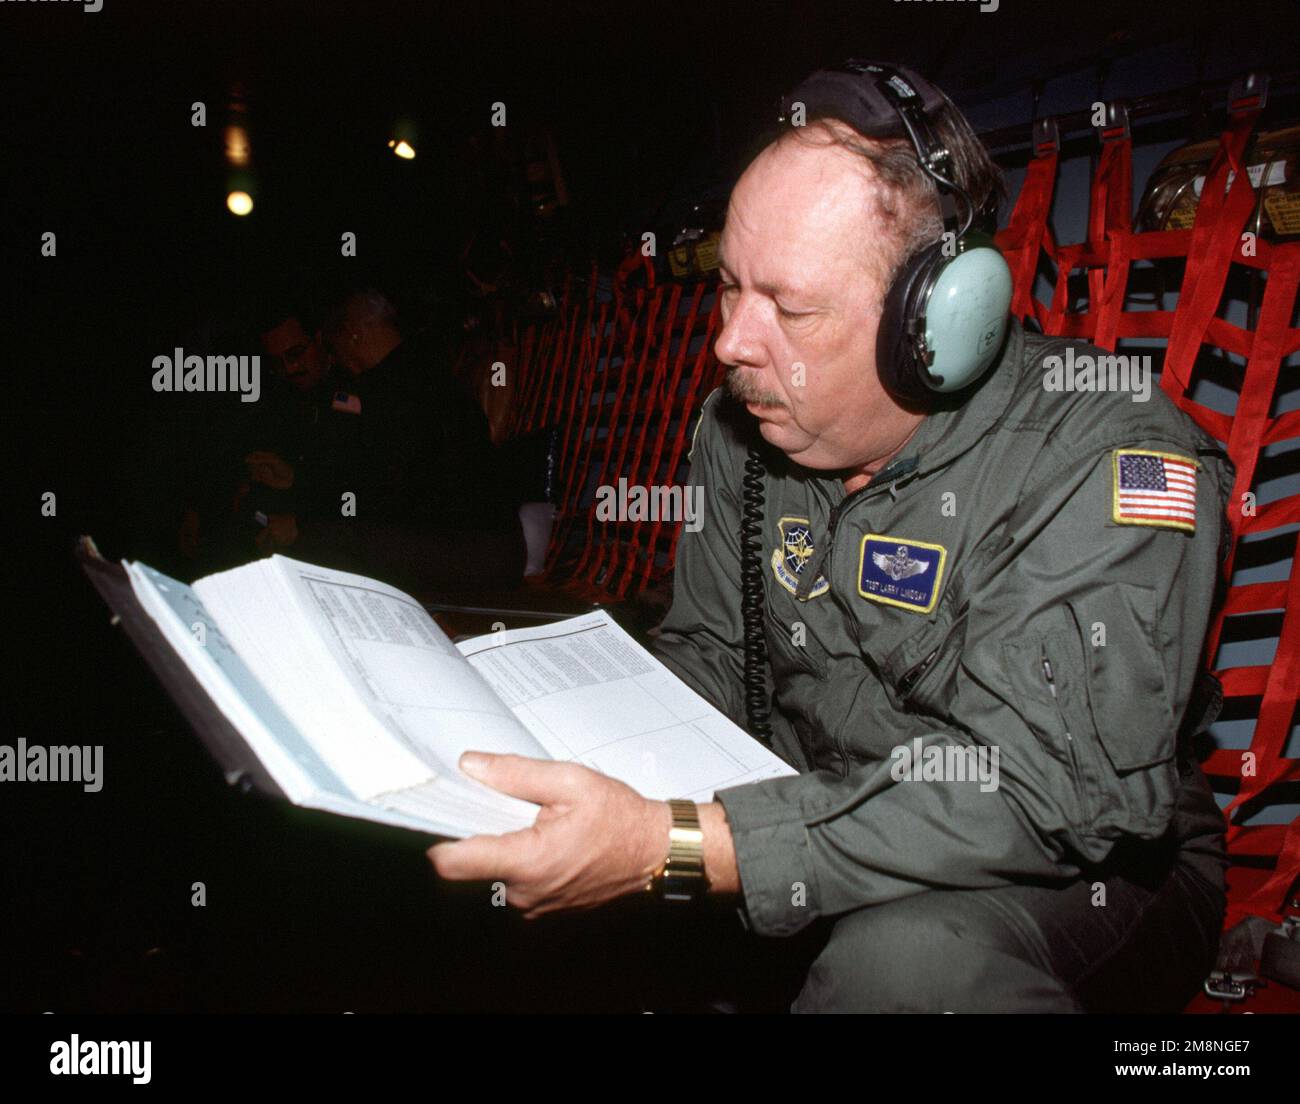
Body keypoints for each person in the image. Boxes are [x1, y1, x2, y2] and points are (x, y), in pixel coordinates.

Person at [427, 62, 1233, 1012]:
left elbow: (1045, 790)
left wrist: (678, 847)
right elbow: (716, 655)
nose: (731, 342)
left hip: (1082, 871)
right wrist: (547, 737)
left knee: (908, 966)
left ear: (940, 321)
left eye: (790, 307)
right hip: (818, 811)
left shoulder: (1111, 457)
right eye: (730, 286)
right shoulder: (748, 428)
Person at [252, 288, 527, 593]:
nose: (337, 356)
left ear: (353, 335)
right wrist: (298, 482)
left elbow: (378, 496)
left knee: (316, 551)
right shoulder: (425, 371)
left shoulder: (390, 390)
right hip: (486, 549)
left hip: (470, 555)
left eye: (334, 344)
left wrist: (303, 528)